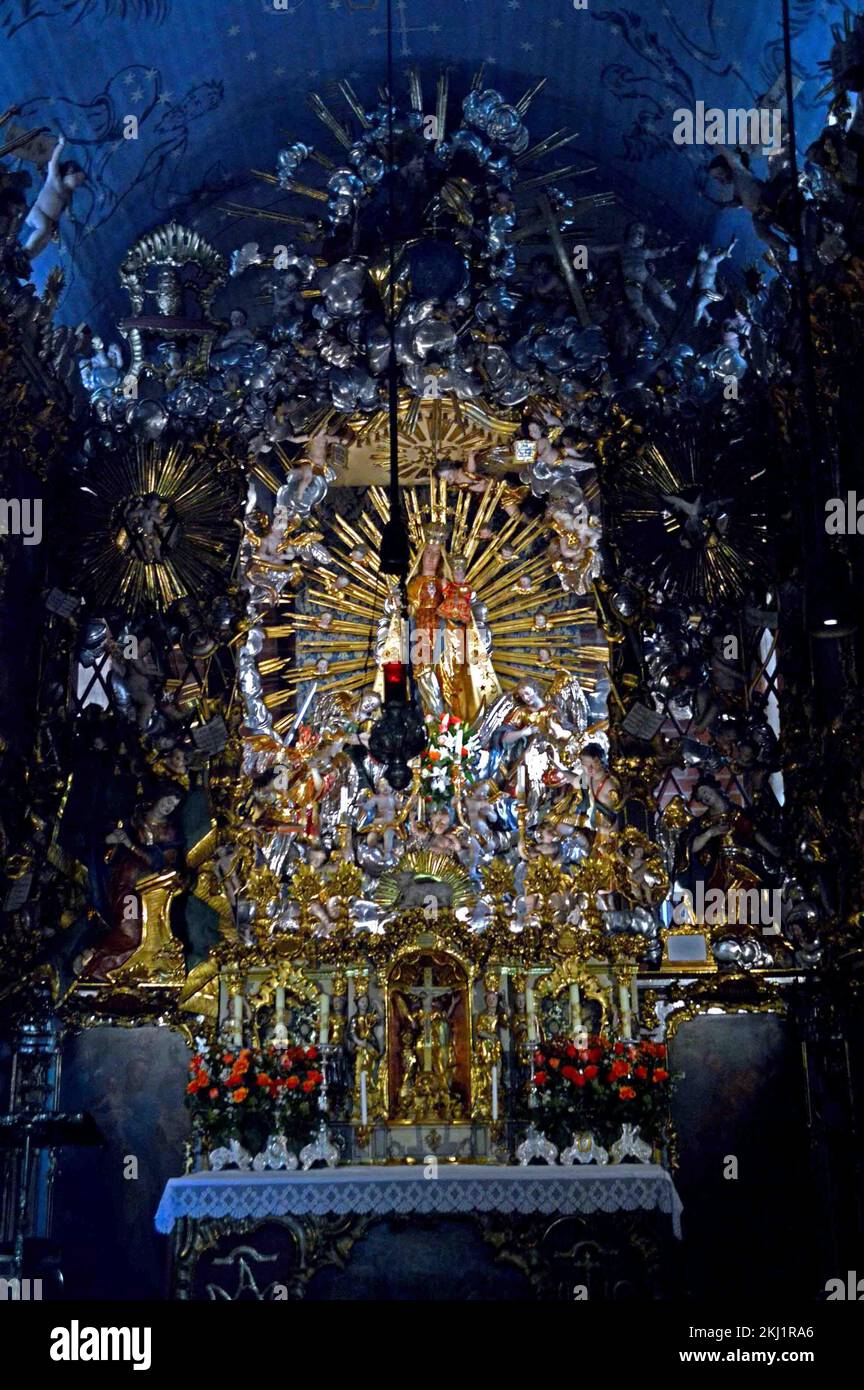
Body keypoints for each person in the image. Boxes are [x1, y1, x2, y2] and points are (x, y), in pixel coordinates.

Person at [22, 135, 85, 259]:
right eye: (77, 177)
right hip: (38, 211)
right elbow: (53, 162)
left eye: (80, 182)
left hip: (47, 220)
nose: (78, 183)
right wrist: (61, 145)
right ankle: (25, 250)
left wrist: (70, 214)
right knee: (43, 229)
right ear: (68, 173)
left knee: (45, 239)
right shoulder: (54, 179)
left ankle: (28, 258)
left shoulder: (68, 195)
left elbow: (68, 208)